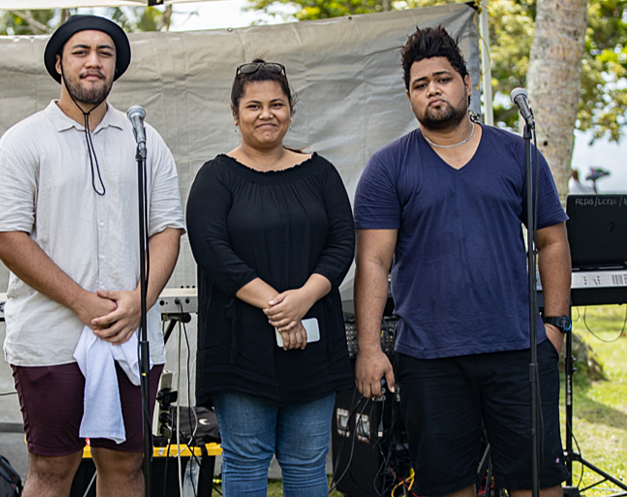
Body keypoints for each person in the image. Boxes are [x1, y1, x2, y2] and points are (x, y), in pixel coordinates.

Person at [353, 26, 571, 497]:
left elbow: (552, 240)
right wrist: (370, 348)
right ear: (410, 96)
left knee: (540, 483)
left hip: (518, 351)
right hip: (430, 358)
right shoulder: (388, 167)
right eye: (419, 83)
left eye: (443, 78)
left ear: (467, 83)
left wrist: (554, 325)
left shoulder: (518, 154)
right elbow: (373, 262)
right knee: (449, 486)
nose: (433, 88)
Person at [0, 15, 184, 497]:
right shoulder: (23, 140)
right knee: (53, 471)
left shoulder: (144, 140)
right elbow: (6, 235)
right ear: (59, 63)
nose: (93, 62)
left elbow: (168, 229)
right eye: (81, 52)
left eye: (105, 53)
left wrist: (140, 300)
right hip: (51, 337)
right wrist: (78, 300)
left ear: (116, 67)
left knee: (127, 467)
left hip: (130, 334)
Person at [186, 59, 355, 497]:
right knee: (245, 462)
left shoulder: (321, 173)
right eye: (254, 105)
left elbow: (342, 245)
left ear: (290, 110)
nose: (267, 114)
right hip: (242, 347)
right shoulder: (216, 177)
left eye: (276, 104)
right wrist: (281, 309)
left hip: (313, 344)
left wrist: (303, 299)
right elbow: (212, 252)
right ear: (236, 113)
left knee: (307, 464)